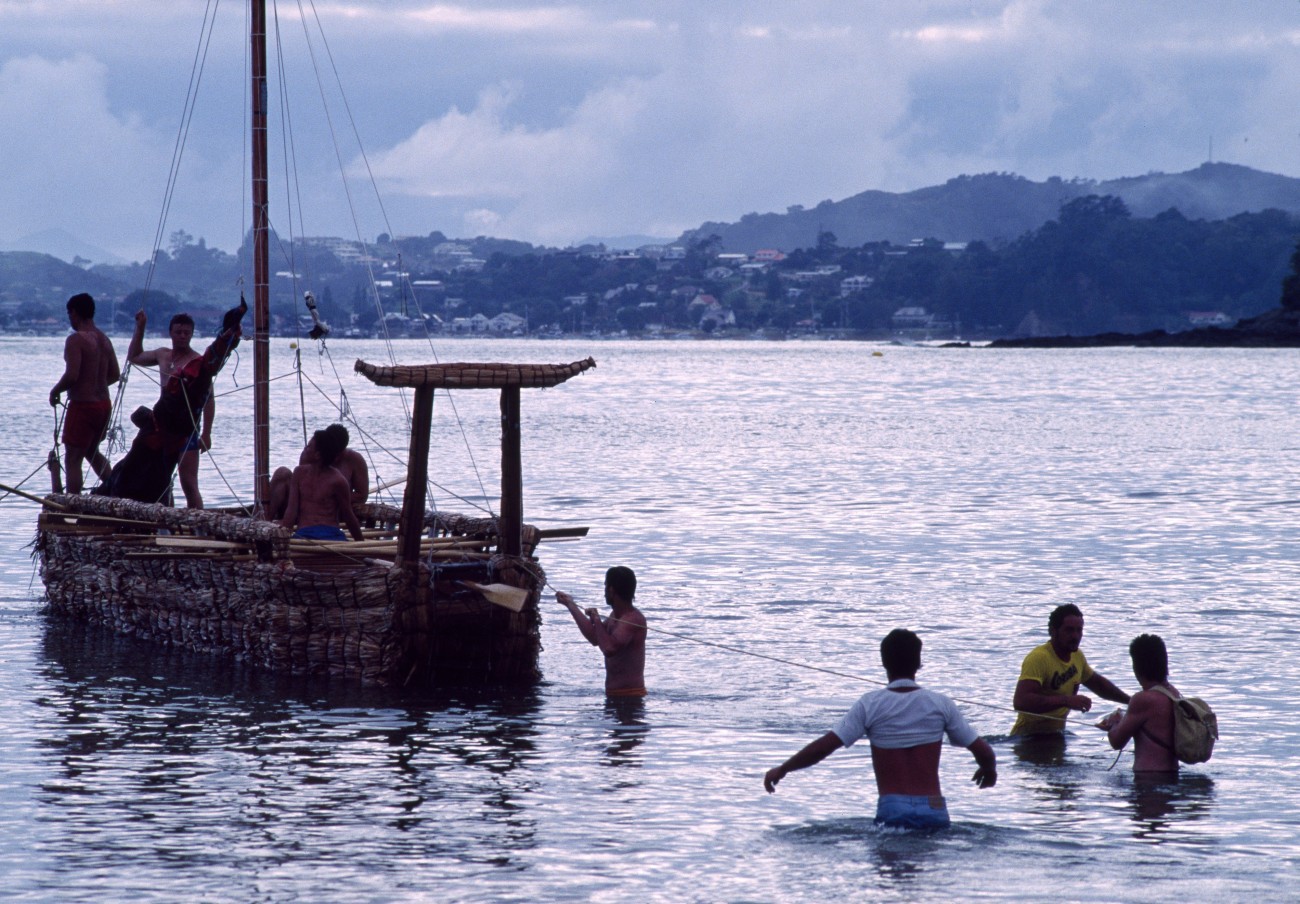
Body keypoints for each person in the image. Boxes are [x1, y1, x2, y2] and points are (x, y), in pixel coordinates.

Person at [763, 628, 997, 830]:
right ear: (919, 664)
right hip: (933, 808)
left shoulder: (869, 704)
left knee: (890, 878)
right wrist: (988, 771)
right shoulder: (941, 704)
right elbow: (984, 752)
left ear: (883, 663)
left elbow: (824, 747)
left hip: (892, 809)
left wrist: (783, 769)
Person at [127, 310, 213, 508]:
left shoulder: (198, 363)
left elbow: (209, 399)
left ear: (192, 334)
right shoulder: (163, 355)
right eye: (178, 332)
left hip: (187, 428)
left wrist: (207, 434)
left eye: (186, 332)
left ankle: (198, 527)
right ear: (171, 333)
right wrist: (140, 328)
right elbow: (134, 357)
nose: (182, 336)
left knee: (189, 483)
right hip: (162, 426)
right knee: (160, 479)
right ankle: (165, 521)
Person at [1010, 603, 1131, 736]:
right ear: (1053, 631)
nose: (1075, 636)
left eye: (1079, 630)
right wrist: (1066, 700)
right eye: (1069, 630)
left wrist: (1132, 701)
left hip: (1056, 736)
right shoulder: (1039, 658)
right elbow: (1021, 701)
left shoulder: (1077, 656)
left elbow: (1099, 685)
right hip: (1028, 738)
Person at [49, 293, 121, 493]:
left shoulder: (76, 340)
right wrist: (94, 383)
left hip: (83, 405)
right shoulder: (104, 339)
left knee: (72, 458)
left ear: (74, 313)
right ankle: (115, 492)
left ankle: (73, 504)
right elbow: (115, 374)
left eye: (70, 314)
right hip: (103, 406)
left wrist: (55, 391)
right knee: (91, 451)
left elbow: (72, 375)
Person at [1097, 634, 1180, 775]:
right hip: (1173, 774)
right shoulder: (1173, 693)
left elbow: (1117, 742)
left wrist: (1114, 724)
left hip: (1147, 779)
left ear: (1137, 666)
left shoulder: (1142, 699)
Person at [556, 566, 646, 696]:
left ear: (611, 590)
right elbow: (595, 638)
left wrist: (596, 619)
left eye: (605, 587)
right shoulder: (615, 615)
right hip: (614, 694)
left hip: (631, 696)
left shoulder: (633, 619)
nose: (604, 592)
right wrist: (571, 605)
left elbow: (609, 648)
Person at [277, 425, 365, 541]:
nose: (305, 449)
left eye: (308, 447)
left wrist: (359, 542)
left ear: (317, 455)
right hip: (305, 533)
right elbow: (291, 511)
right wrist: (283, 539)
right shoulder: (299, 473)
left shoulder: (338, 480)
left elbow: (348, 516)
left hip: (330, 534)